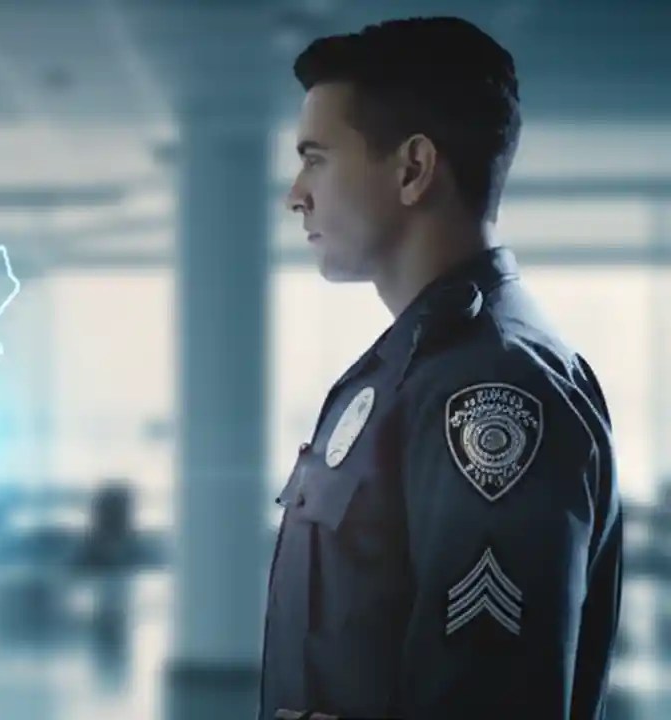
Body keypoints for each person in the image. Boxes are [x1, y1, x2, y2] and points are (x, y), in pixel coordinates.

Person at [259, 16, 623, 720]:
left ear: (413, 169)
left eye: (317, 158)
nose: (295, 193)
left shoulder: (493, 388)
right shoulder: (416, 370)